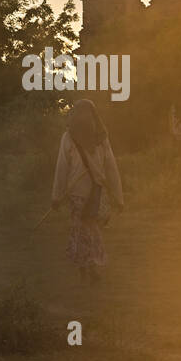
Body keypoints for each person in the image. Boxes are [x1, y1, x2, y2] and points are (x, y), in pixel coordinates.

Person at [50, 99, 124, 282]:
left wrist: (57, 196)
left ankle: (86, 266)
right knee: (89, 229)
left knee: (83, 229)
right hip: (94, 192)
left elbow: (62, 168)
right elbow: (111, 168)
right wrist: (118, 196)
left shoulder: (71, 137)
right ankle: (89, 266)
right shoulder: (100, 137)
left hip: (81, 194)